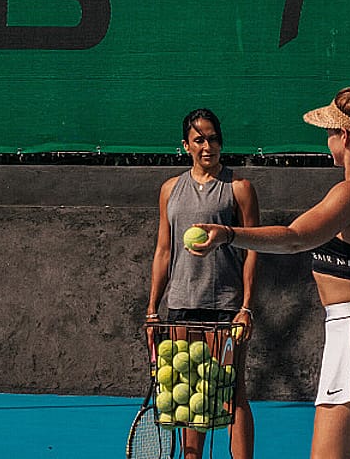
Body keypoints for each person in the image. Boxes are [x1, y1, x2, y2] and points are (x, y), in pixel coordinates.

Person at [191, 86, 350, 459]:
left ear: (346, 136)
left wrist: (228, 234)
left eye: (331, 132)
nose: (327, 140)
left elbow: (293, 238)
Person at [147, 108, 259, 459]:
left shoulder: (239, 189)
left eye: (213, 138)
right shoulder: (169, 190)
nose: (207, 146)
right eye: (199, 139)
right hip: (179, 306)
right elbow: (163, 250)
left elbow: (253, 250)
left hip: (225, 307)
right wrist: (152, 308)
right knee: (188, 389)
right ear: (186, 146)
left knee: (231, 391)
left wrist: (246, 307)